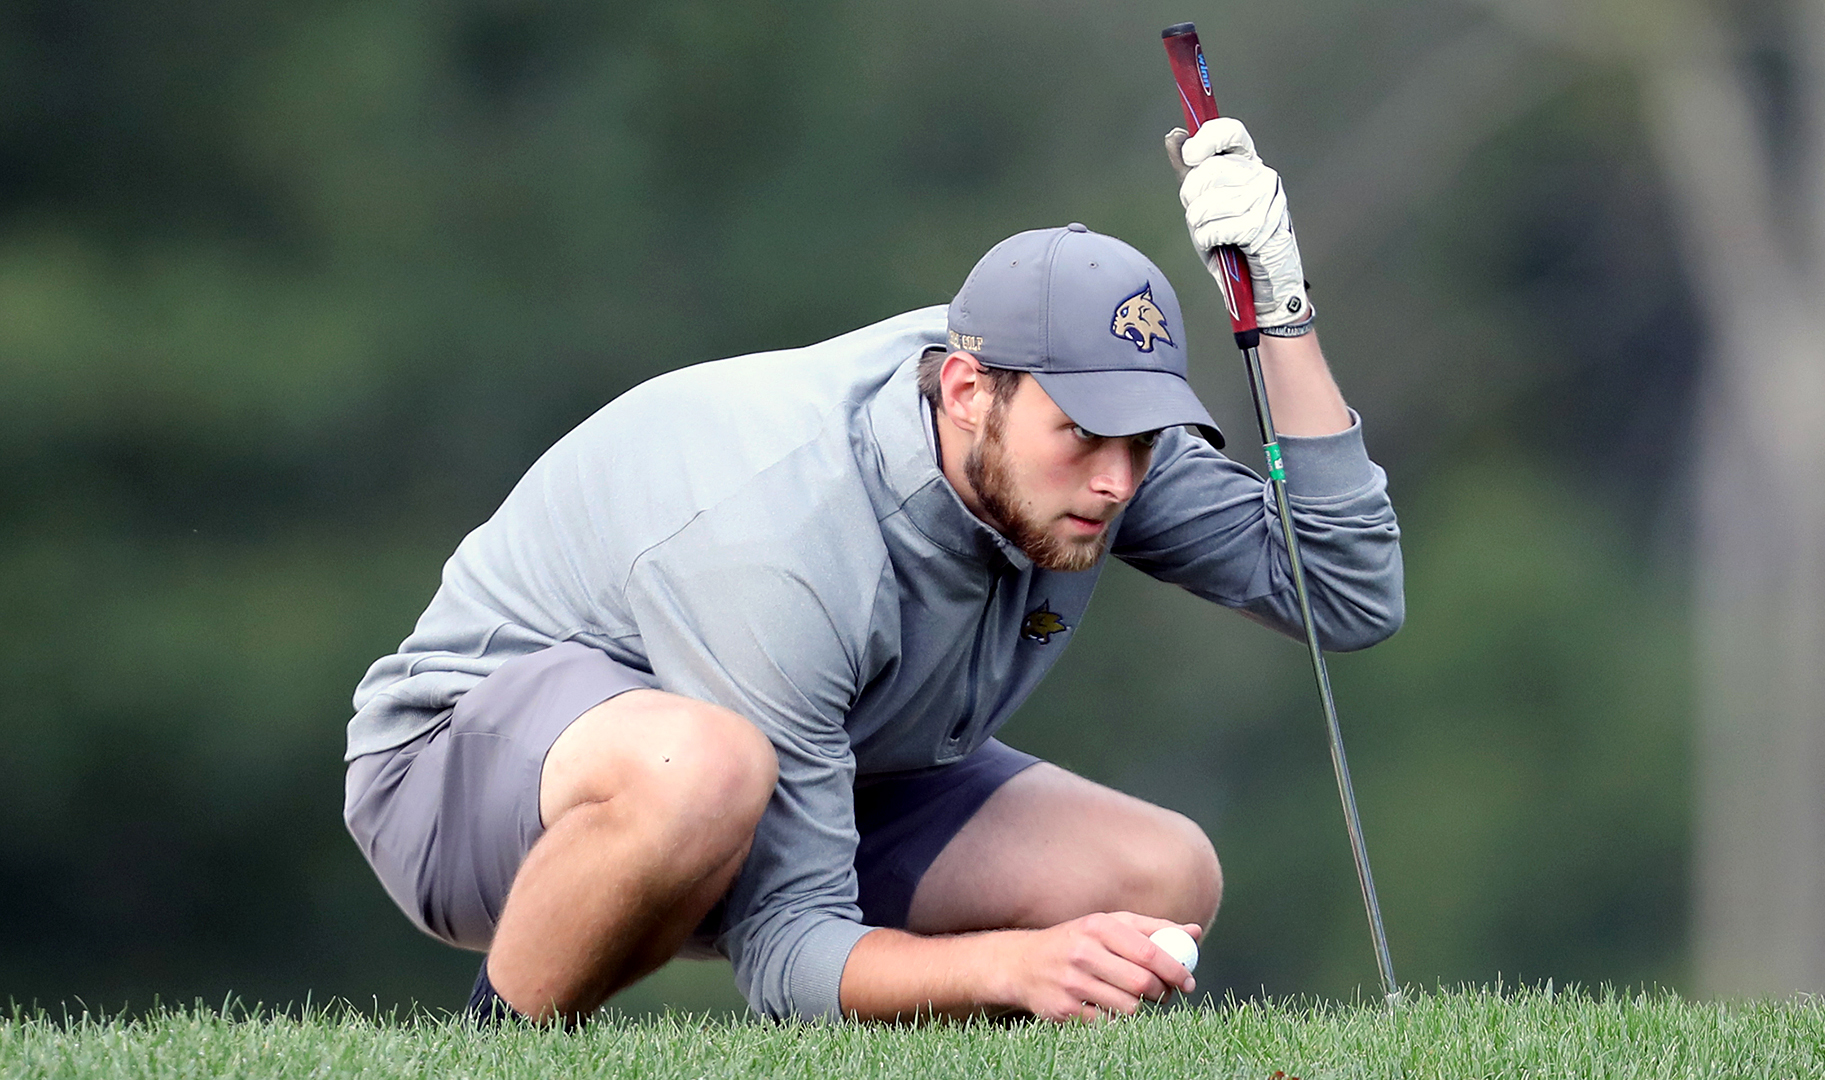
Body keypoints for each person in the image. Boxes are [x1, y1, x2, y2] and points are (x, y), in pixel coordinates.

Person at [341, 117, 1403, 1024]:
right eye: (1085, 434)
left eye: (1142, 439)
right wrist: (1005, 965)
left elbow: (1345, 595)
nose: (1119, 480)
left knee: (1155, 879)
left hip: (806, 775)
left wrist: (1283, 314)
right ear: (965, 391)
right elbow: (787, 947)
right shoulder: (786, 535)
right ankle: (493, 1045)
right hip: (461, 779)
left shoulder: (1092, 442)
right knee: (703, 774)